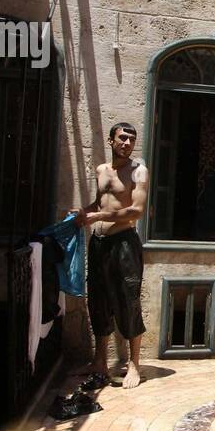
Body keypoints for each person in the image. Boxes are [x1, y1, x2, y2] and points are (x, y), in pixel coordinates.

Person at [69, 123, 149, 388]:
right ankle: (99, 361)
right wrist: (84, 213)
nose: (127, 143)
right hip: (99, 243)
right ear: (111, 140)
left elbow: (136, 210)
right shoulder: (102, 170)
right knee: (98, 301)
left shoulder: (139, 172)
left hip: (124, 243)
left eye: (131, 139)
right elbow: (100, 203)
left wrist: (99, 216)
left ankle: (134, 365)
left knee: (128, 301)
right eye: (122, 138)